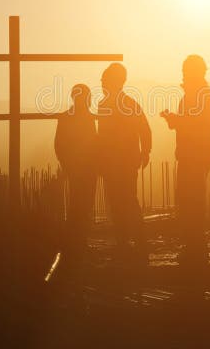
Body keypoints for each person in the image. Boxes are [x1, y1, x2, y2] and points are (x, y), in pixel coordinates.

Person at [161, 55, 210, 267]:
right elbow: (190, 123)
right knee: (187, 203)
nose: (184, 75)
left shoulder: (203, 96)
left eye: (187, 71)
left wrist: (176, 120)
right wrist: (175, 121)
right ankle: (192, 246)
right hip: (189, 156)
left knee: (192, 203)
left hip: (196, 157)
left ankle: (196, 249)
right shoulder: (192, 96)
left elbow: (197, 125)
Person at [97, 63, 151, 264]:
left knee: (125, 202)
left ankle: (134, 244)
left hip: (122, 163)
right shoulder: (118, 104)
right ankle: (128, 244)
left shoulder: (124, 104)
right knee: (122, 204)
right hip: (118, 164)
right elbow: (145, 130)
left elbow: (144, 130)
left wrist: (145, 151)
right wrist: (144, 152)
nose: (102, 84)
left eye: (104, 81)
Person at [55, 84, 98, 265]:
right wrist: (69, 165)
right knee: (79, 207)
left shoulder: (79, 117)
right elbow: (60, 144)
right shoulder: (75, 117)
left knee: (82, 207)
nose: (88, 101)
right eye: (87, 97)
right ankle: (75, 244)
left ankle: (77, 243)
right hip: (82, 170)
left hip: (84, 170)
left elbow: (60, 145)